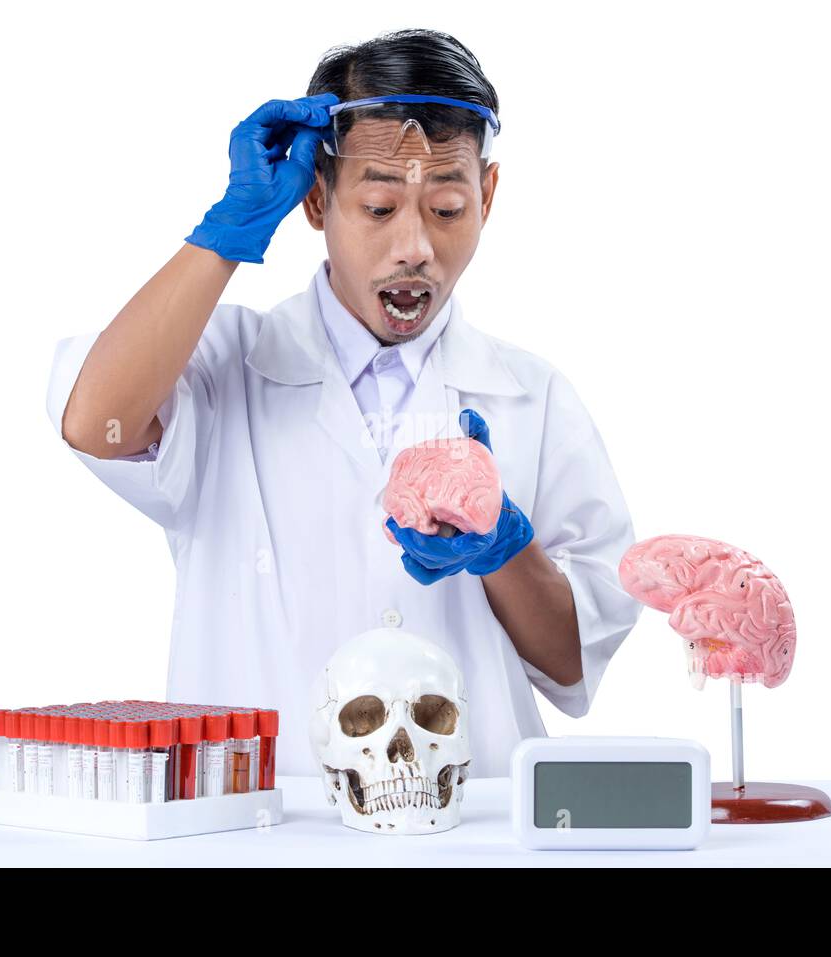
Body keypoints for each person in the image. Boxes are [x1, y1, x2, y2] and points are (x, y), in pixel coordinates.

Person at [47, 29, 642, 777]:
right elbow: (95, 422)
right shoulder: (225, 367)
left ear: (488, 195)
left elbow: (570, 662)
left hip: (471, 825)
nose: (415, 246)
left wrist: (504, 549)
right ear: (317, 197)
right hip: (262, 822)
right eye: (379, 205)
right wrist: (227, 232)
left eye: (450, 208)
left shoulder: (534, 398)